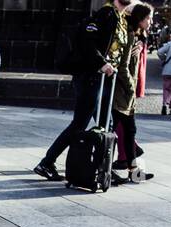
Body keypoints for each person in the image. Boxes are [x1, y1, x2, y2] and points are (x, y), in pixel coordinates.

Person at [34, 0, 131, 181]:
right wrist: (102, 63)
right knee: (80, 124)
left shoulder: (121, 18)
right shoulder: (106, 14)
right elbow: (87, 42)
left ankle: (105, 168)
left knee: (105, 125)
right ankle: (47, 163)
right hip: (92, 78)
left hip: (105, 79)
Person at [111, 2, 153, 185]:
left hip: (125, 94)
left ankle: (133, 171)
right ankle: (124, 170)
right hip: (122, 93)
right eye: (149, 18)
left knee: (127, 132)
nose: (151, 22)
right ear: (141, 19)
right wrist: (130, 87)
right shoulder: (129, 35)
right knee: (123, 131)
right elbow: (123, 68)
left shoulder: (136, 36)